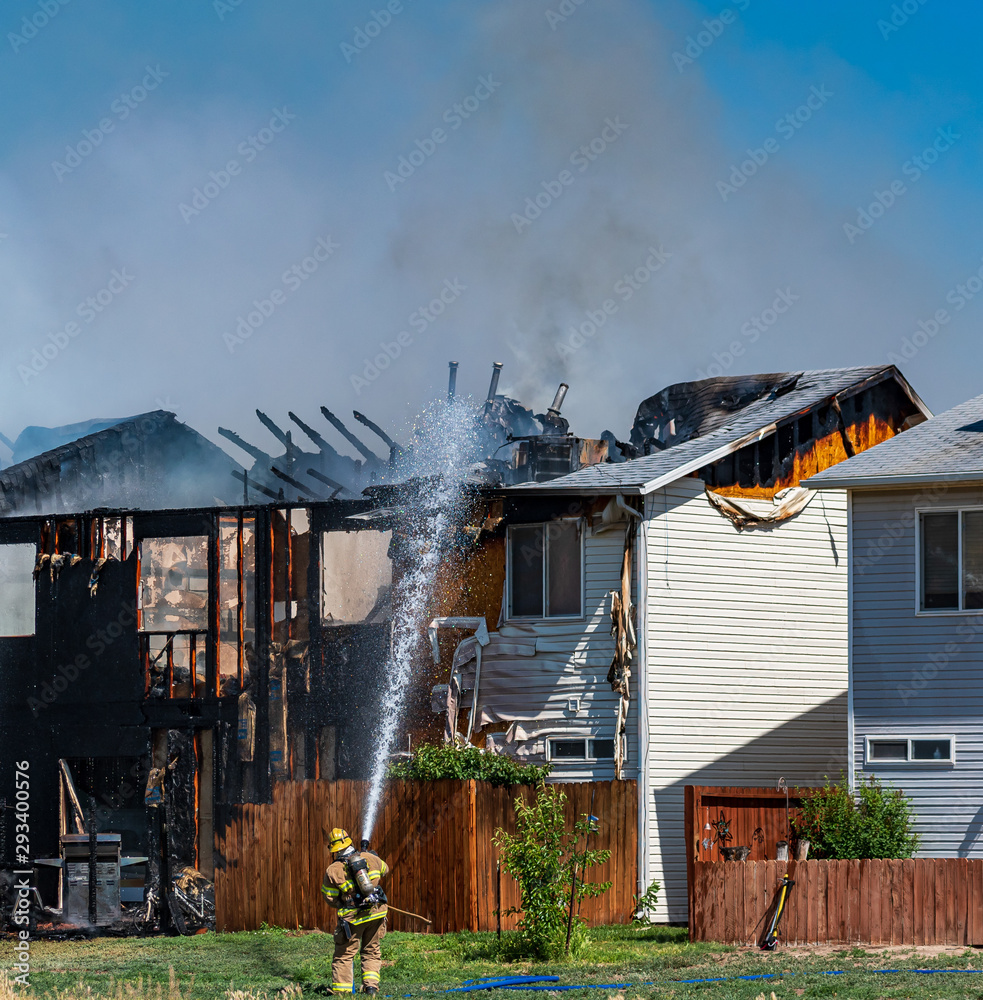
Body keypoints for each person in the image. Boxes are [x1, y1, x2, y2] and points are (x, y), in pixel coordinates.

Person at [321, 827, 390, 995]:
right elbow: (385, 870)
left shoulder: (333, 870)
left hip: (353, 918)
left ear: (333, 848)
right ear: (349, 841)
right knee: (371, 950)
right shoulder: (370, 858)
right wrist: (373, 857)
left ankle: (343, 993)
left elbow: (330, 897)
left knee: (344, 954)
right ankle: (371, 988)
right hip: (376, 911)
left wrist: (345, 902)